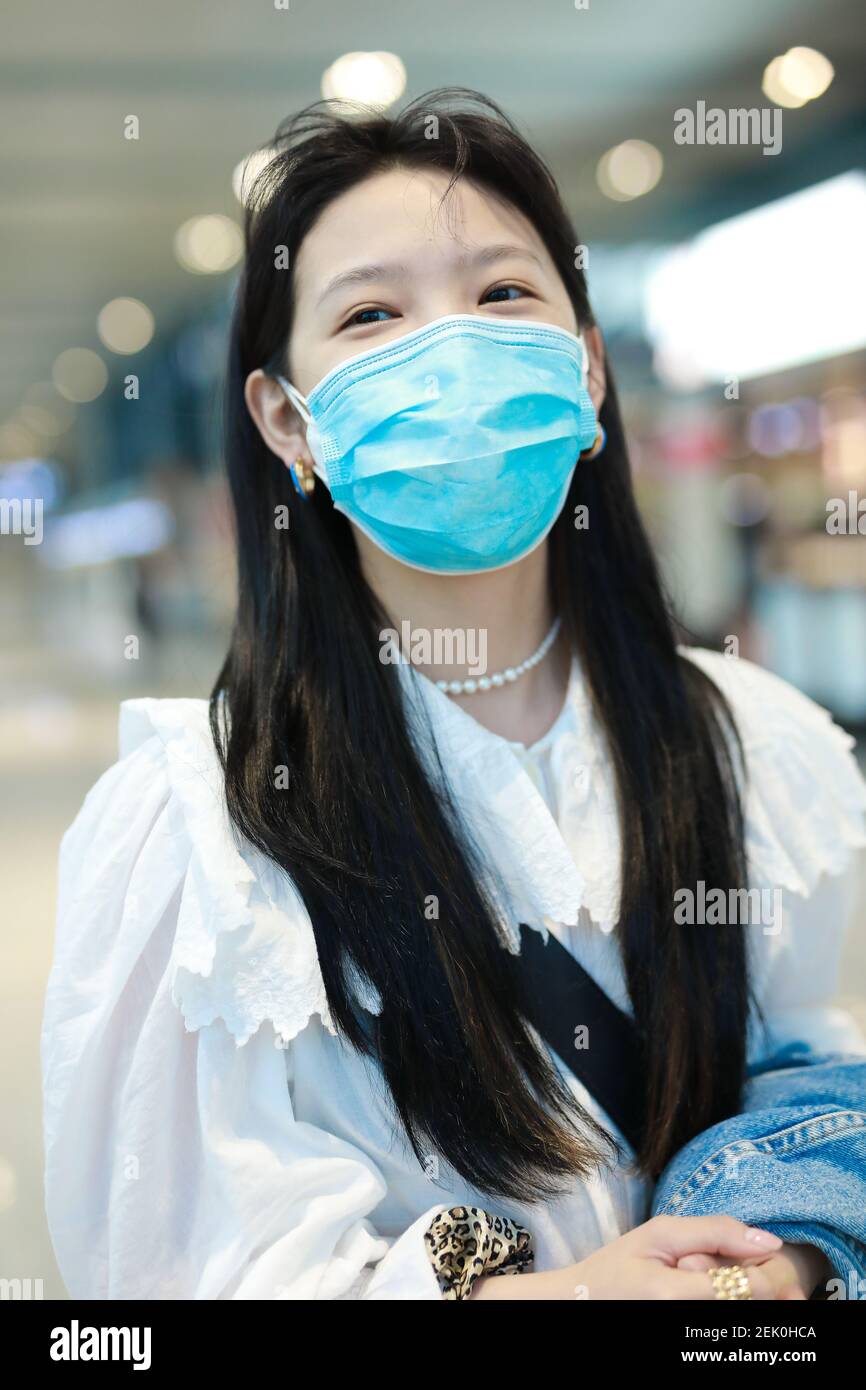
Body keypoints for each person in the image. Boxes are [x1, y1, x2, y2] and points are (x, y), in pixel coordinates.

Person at [41, 89, 866, 1301]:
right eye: (371, 314)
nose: (454, 349)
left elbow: (813, 1069)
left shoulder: (755, 746)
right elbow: (167, 1271)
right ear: (287, 421)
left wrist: (777, 1262)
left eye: (502, 295)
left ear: (584, 369)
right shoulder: (200, 831)